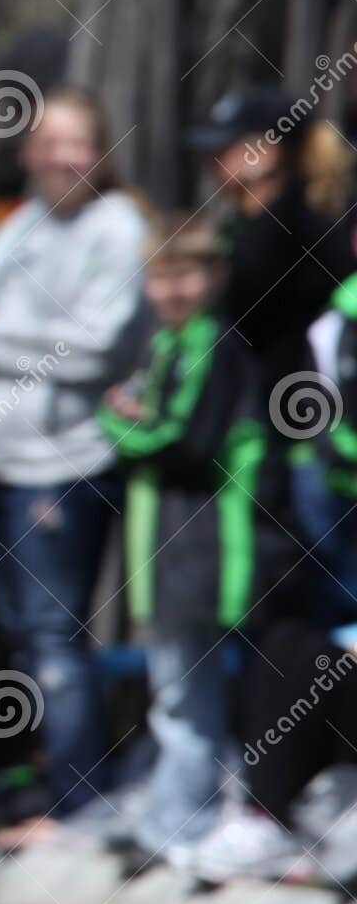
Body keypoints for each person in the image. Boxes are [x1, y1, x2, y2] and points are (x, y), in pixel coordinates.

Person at [0, 89, 149, 847]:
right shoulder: (21, 224)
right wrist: (20, 336)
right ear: (29, 152)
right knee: (20, 637)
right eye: (48, 142)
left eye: (77, 143)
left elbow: (95, 347)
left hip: (61, 466)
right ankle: (36, 788)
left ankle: (79, 803)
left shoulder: (116, 229)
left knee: (57, 637)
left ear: (101, 152)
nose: (62, 157)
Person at [96, 216, 290, 863]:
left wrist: (114, 423)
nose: (171, 289)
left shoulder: (215, 347)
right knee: (182, 690)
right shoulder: (166, 346)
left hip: (204, 547)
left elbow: (182, 443)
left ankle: (180, 824)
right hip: (170, 545)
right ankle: (187, 813)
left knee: (186, 694)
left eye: (185, 274)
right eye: (159, 275)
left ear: (214, 278)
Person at [189, 91, 357, 623]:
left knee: (322, 612)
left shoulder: (296, 230)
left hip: (305, 449)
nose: (212, 163)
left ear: (269, 151)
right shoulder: (249, 227)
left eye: (227, 148)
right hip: (268, 442)